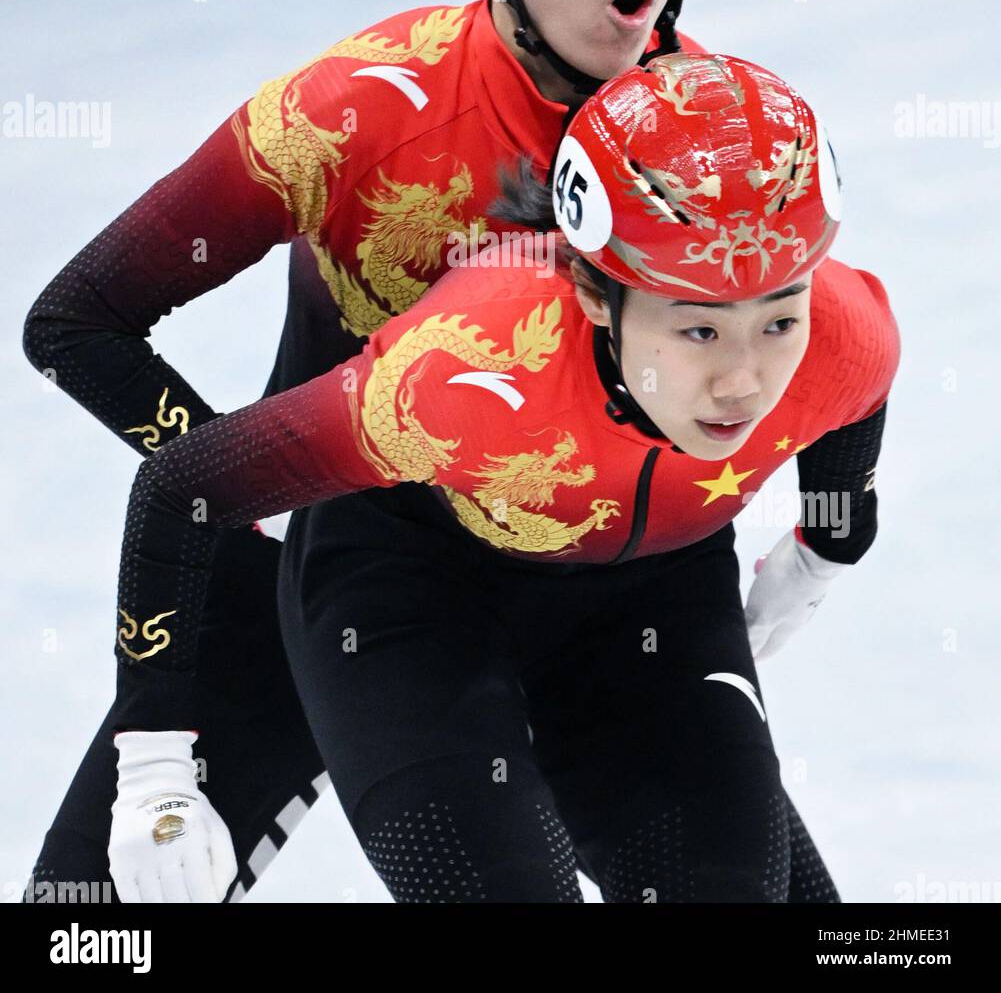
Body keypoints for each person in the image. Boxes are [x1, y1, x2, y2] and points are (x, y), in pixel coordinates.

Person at [21, 0, 831, 902]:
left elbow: (841, 341)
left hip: (624, 594)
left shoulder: (721, 145)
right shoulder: (356, 114)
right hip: (370, 570)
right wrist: (255, 507)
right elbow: (77, 323)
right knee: (83, 930)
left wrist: (822, 531)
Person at [104, 52, 900, 903]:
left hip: (647, 606)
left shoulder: (843, 331)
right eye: (700, 332)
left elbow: (853, 414)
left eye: (778, 319)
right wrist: (153, 760)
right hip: (413, 600)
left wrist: (825, 548)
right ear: (595, 293)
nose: (745, 381)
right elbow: (184, 490)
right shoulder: (459, 372)